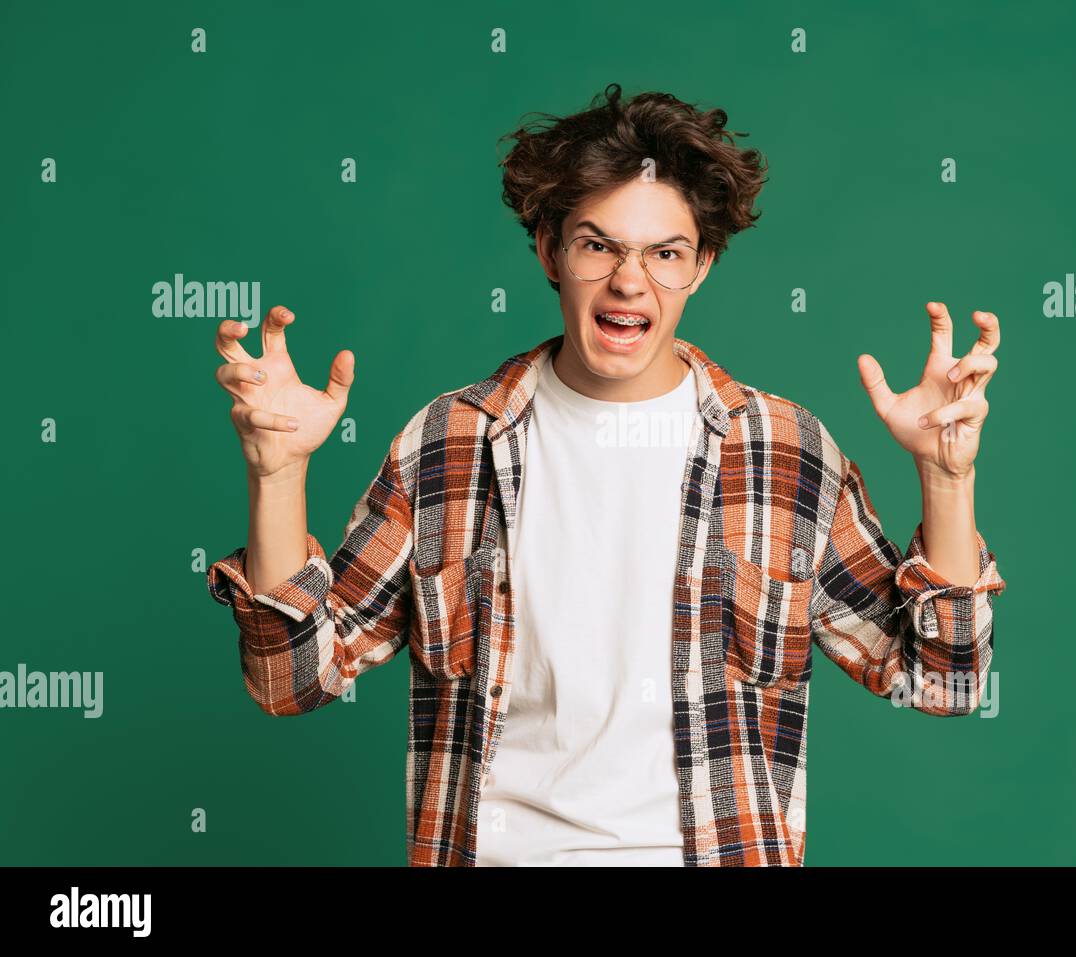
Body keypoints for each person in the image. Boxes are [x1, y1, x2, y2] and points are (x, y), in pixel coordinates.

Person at [208, 83, 1007, 867]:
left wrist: (945, 479)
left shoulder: (786, 452)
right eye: (599, 244)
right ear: (549, 248)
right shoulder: (447, 444)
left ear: (702, 266)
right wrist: (277, 474)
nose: (631, 280)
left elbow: (942, 682)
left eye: (666, 253)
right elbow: (291, 680)